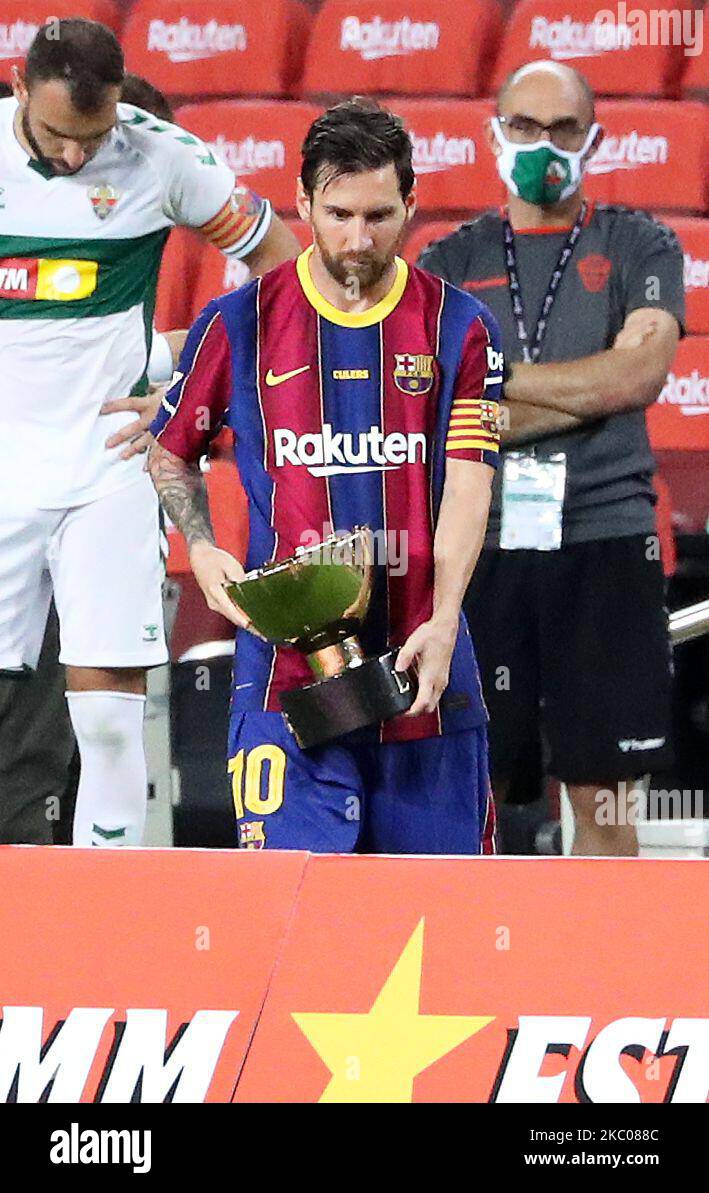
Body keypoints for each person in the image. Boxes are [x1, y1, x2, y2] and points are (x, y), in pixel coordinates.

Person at [148, 97, 503, 855]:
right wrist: (204, 545)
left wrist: (443, 620)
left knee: (435, 924)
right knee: (293, 908)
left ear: (412, 204)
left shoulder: (460, 326)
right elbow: (170, 450)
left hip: (423, 665)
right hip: (283, 679)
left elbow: (470, 479)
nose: (356, 237)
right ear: (302, 201)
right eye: (337, 214)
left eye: (379, 215)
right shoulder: (237, 321)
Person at [0, 18, 300, 848]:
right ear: (18, 90)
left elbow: (286, 276)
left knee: (106, 718)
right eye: (58, 135)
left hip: (108, 467)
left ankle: (112, 913)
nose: (74, 157)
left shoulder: (165, 157)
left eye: (92, 137)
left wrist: (190, 375)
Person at [419, 62, 684, 857]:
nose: (544, 146)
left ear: (594, 139)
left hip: (603, 538)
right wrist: (585, 386)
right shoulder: (446, 262)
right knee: (474, 785)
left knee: (601, 793)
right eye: (526, 127)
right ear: (493, 135)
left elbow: (637, 375)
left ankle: (603, 981)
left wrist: (490, 381)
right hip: (481, 546)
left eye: (564, 129)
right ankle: (476, 975)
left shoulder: (640, 241)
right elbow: (438, 415)